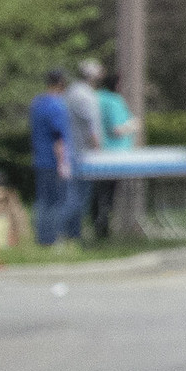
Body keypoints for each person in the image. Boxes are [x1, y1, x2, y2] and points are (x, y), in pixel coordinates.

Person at [29, 68, 76, 246]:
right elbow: (58, 137)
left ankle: (42, 237)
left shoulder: (37, 103)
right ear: (61, 83)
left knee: (43, 201)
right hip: (53, 160)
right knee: (58, 202)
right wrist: (63, 163)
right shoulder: (57, 106)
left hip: (40, 158)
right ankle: (53, 238)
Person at [93, 66, 137, 241]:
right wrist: (133, 125)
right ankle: (103, 228)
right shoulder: (114, 101)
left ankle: (98, 224)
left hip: (99, 153)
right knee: (108, 195)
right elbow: (116, 129)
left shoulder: (97, 97)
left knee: (98, 193)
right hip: (116, 155)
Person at [64, 60, 106, 241]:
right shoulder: (84, 96)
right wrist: (98, 151)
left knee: (74, 195)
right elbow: (91, 128)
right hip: (82, 154)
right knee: (78, 197)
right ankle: (68, 234)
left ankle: (72, 233)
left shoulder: (71, 92)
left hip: (73, 151)